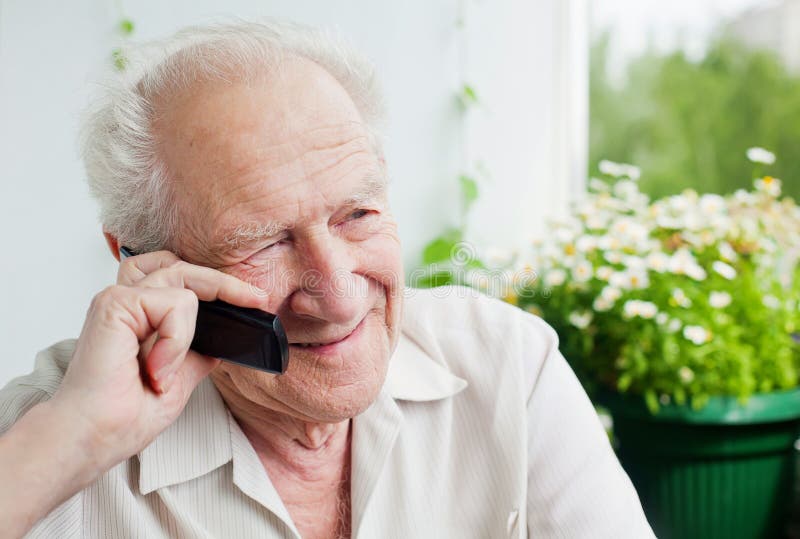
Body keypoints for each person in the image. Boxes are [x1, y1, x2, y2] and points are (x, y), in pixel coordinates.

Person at [0, 19, 654, 539]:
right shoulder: (51, 439)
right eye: (264, 241)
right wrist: (76, 439)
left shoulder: (510, 367)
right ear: (141, 259)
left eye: (358, 213)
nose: (340, 293)